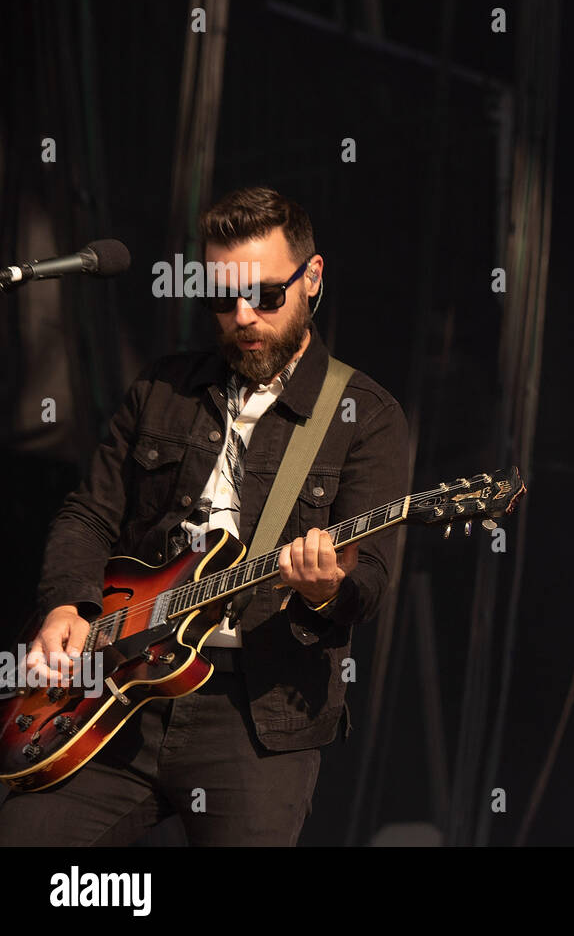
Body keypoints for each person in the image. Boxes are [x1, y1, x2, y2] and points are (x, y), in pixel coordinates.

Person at [0, 186, 409, 845]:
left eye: (266, 295)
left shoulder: (365, 415)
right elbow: (90, 512)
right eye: (224, 297)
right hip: (114, 694)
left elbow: (371, 579)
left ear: (313, 278)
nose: (243, 316)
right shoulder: (162, 387)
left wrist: (326, 587)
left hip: (255, 716)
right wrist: (65, 608)